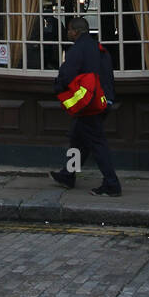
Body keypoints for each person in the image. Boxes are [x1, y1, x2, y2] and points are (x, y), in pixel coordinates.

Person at [50, 15, 122, 196]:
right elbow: (108, 76)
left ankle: (112, 184)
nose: (67, 33)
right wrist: (109, 99)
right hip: (103, 102)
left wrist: (58, 87)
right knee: (78, 139)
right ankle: (68, 174)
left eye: (69, 30)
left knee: (97, 144)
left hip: (88, 105)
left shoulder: (77, 50)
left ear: (75, 31)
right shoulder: (100, 48)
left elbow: (66, 75)